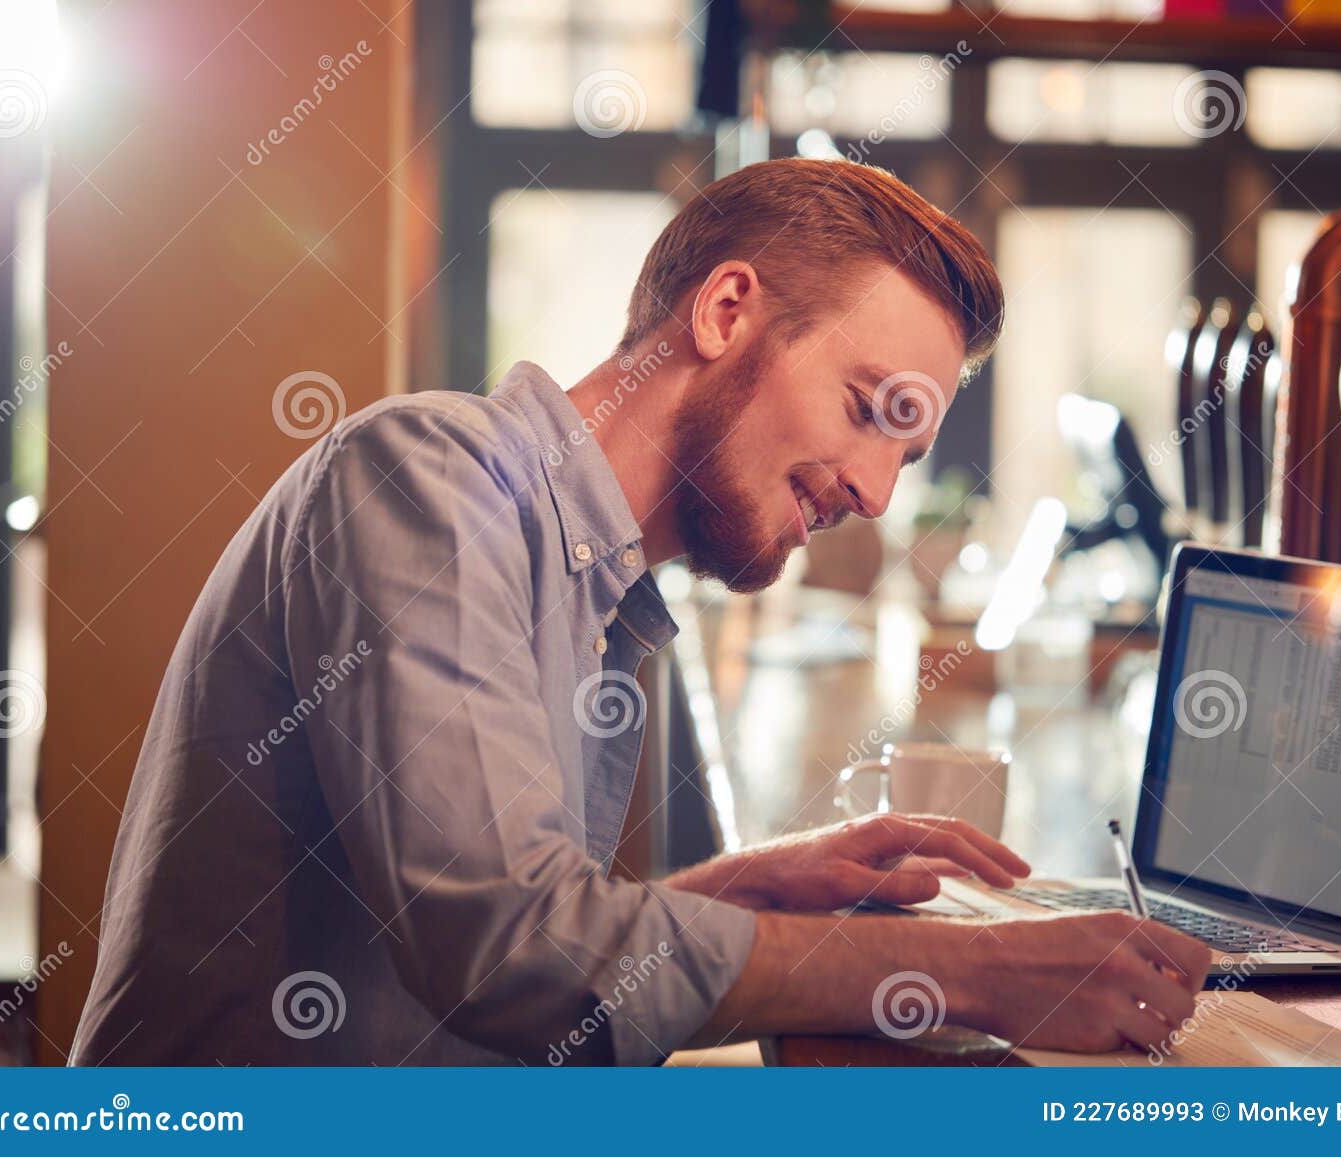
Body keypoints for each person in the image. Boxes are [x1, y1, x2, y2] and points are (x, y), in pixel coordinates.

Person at [72, 158, 1208, 1066]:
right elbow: (503, 949)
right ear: (725, 310)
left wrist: (742, 885)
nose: (874, 491)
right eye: (869, 412)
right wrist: (979, 975)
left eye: (904, 452)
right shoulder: (424, 478)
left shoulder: (598, 584)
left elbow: (501, 940)